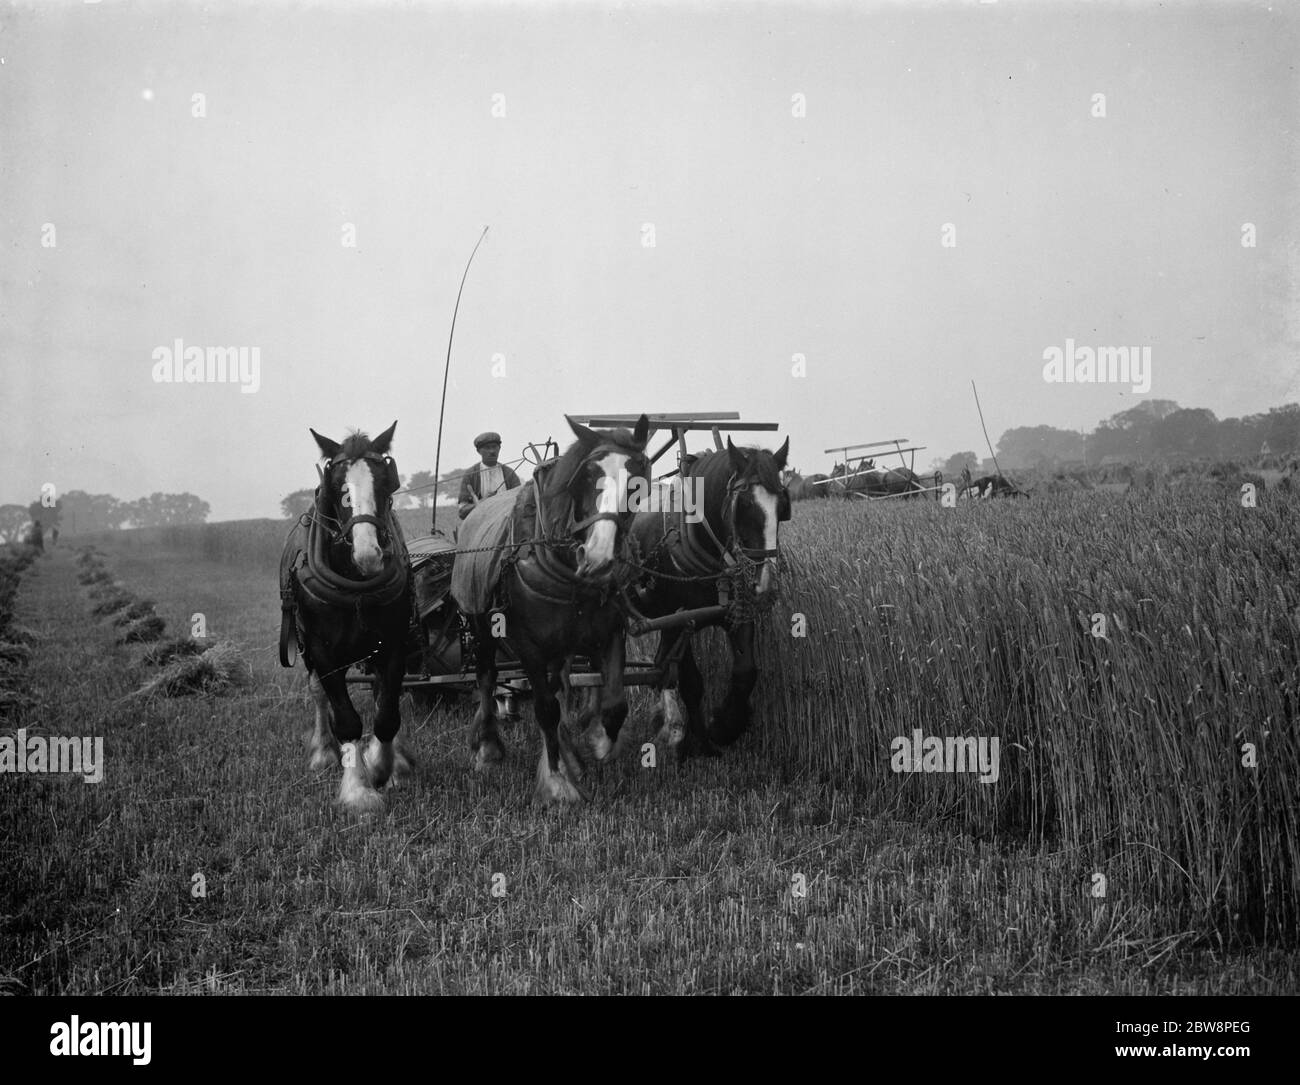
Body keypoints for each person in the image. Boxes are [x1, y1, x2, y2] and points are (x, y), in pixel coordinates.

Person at [457, 432, 521, 520]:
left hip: (507, 522)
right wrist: (481, 503)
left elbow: (520, 501)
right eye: (487, 448)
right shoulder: (471, 475)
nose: (492, 451)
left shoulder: (509, 473)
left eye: (494, 447)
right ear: (479, 451)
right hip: (479, 524)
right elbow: (462, 511)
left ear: (499, 448)